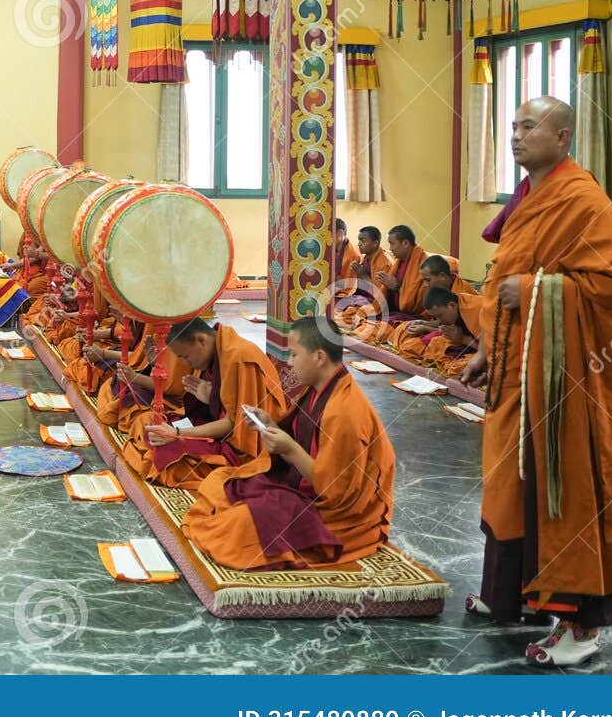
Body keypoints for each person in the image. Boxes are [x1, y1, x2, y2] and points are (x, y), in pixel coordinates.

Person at [458, 96, 612, 667]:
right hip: (518, 371)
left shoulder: (583, 200)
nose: (516, 135)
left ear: (563, 138)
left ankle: (580, 628)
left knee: (560, 491)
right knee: (510, 484)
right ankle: (512, 597)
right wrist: (488, 346)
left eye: (529, 126)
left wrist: (537, 292)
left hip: (568, 385)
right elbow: (500, 279)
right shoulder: (528, 198)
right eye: (513, 125)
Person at [182, 316, 396, 570]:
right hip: (303, 484)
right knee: (221, 484)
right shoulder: (321, 387)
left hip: (338, 512)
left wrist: (289, 450)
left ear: (319, 357)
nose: (289, 362)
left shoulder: (344, 411)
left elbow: (335, 491)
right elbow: (304, 436)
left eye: (294, 354)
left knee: (237, 528)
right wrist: (270, 425)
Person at [119, 316, 287, 488]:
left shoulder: (240, 359)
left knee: (164, 459)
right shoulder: (216, 348)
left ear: (201, 340)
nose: (185, 363)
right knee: (145, 423)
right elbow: (224, 408)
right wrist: (212, 398)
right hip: (214, 424)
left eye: (185, 356)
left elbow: (238, 426)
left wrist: (177, 433)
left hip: (242, 448)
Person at [380, 225, 428, 320]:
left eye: (392, 244)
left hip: (415, 316)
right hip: (396, 311)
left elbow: (419, 303)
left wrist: (396, 287)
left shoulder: (423, 264)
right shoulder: (399, 262)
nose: (390, 248)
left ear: (405, 243)